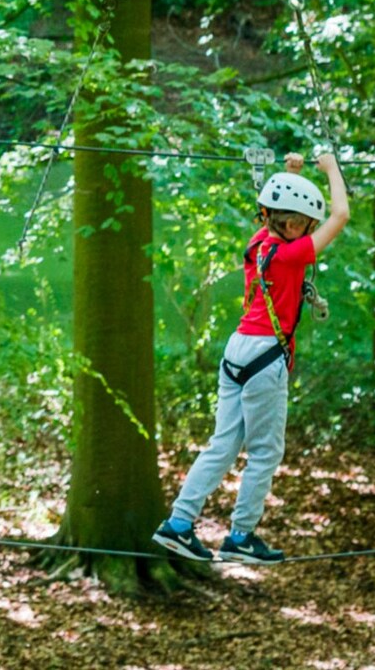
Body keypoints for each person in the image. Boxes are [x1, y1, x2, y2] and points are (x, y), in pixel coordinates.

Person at [155, 150, 350, 565]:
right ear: (295, 225)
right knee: (264, 453)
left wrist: (290, 174)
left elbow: (274, 210)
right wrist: (331, 168)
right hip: (265, 356)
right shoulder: (294, 254)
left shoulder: (259, 243)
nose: (308, 230)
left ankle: (178, 524)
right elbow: (341, 216)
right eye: (304, 225)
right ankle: (240, 535)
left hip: (238, 347)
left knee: (222, 444)